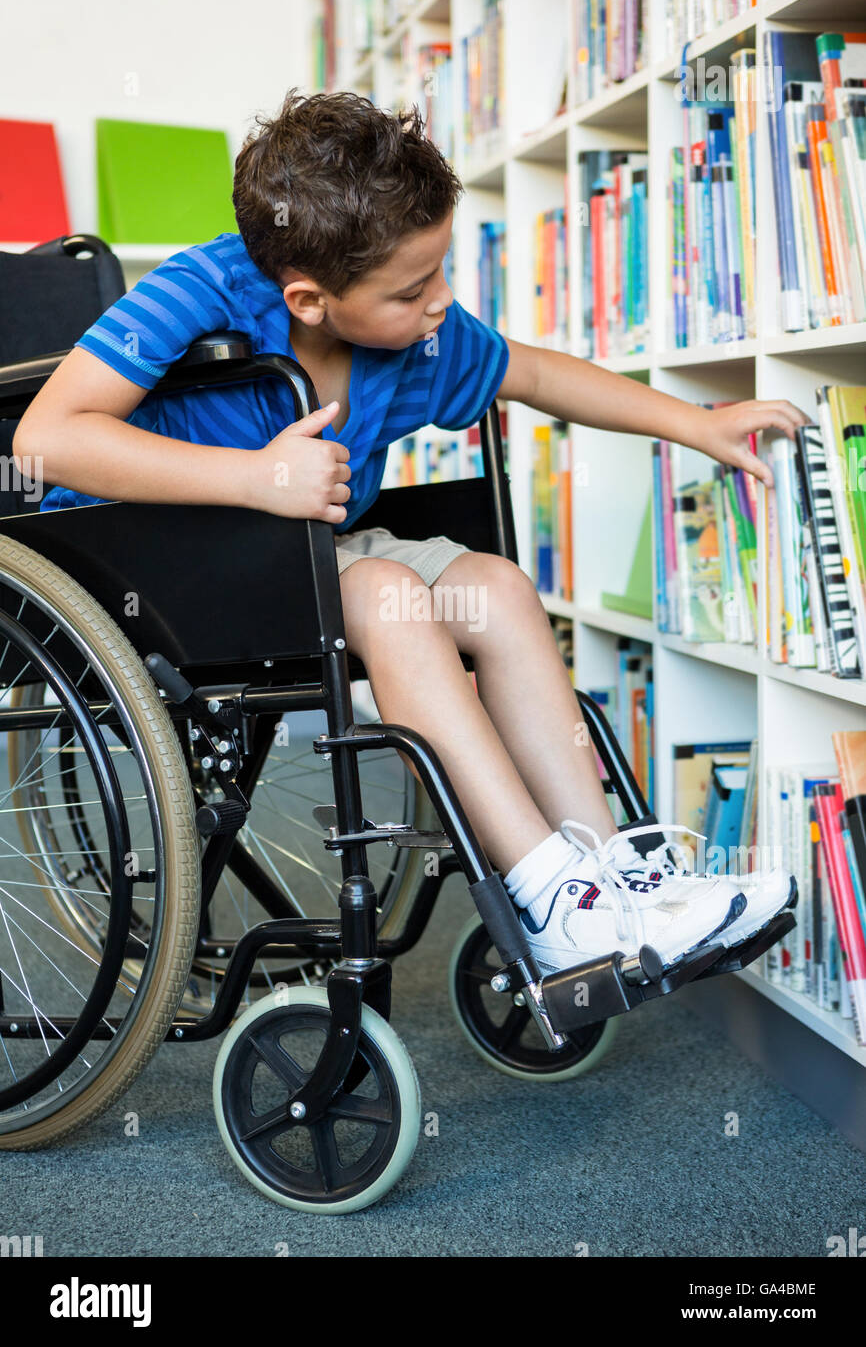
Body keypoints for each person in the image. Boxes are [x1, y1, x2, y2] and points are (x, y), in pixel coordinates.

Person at [14, 88, 802, 977]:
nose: (441, 301)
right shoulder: (204, 288)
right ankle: (545, 895)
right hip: (162, 571)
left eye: (441, 271)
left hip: (304, 557)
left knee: (497, 586)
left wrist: (696, 423)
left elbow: (533, 374)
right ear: (308, 299)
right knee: (388, 595)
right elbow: (46, 439)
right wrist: (255, 476)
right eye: (414, 288)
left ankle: (610, 877)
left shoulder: (412, 338)